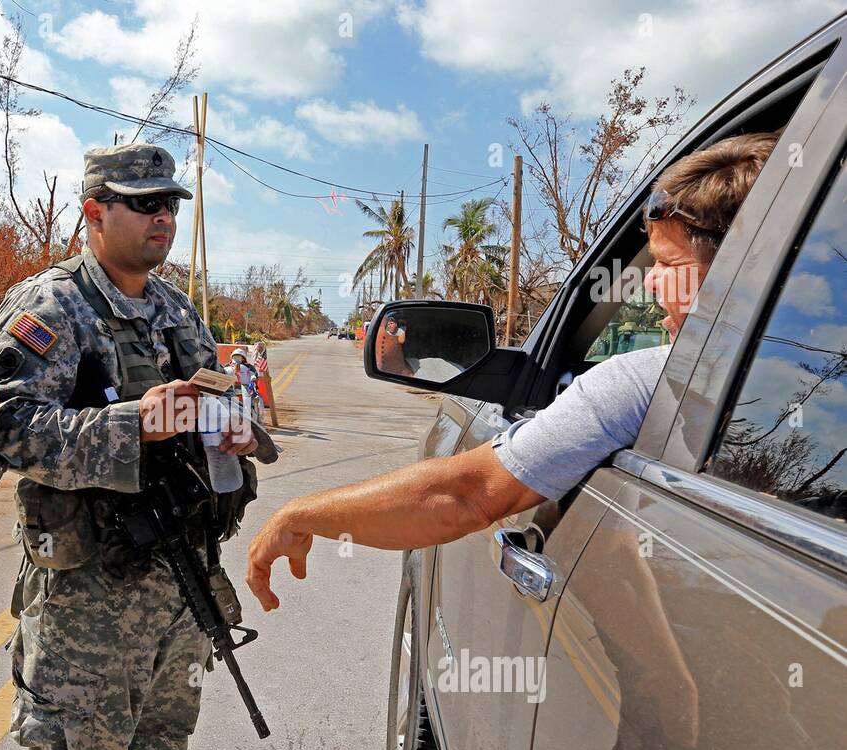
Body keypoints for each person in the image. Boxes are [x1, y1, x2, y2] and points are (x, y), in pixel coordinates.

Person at [246, 132, 777, 610]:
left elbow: (466, 495)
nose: (651, 284)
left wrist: (299, 513)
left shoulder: (652, 380)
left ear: (743, 268)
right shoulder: (803, 381)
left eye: (668, 265)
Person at [0, 143, 275, 750]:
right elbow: (3, 427)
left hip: (180, 594)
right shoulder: (52, 304)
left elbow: (233, 407)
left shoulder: (177, 311)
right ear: (94, 212)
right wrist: (130, 426)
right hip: (88, 605)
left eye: (170, 204)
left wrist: (238, 432)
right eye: (144, 204)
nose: (163, 218)